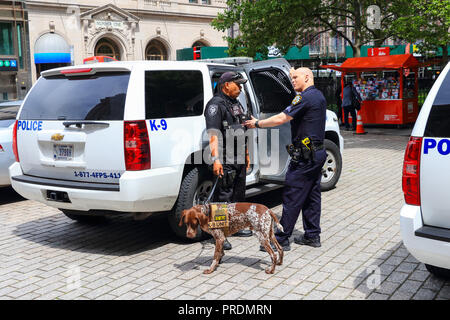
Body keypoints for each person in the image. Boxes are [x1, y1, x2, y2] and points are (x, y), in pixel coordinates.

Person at [245, 67, 327, 250]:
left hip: (305, 157)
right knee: (312, 196)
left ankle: (281, 239)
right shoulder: (318, 96)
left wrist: (257, 123)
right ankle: (312, 235)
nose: (293, 81)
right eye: (291, 78)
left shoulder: (303, 97)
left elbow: (282, 118)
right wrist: (292, 71)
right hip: (317, 154)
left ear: (307, 77)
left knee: (292, 196)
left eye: (296, 77)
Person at [204, 71, 253, 250]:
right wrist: (216, 159)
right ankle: (218, 235)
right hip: (225, 157)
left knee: (238, 194)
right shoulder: (215, 106)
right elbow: (213, 135)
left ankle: (235, 227)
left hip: (239, 156)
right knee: (223, 197)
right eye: (237, 85)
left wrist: (246, 154)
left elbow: (242, 130)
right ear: (226, 85)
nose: (240, 88)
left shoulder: (236, 103)